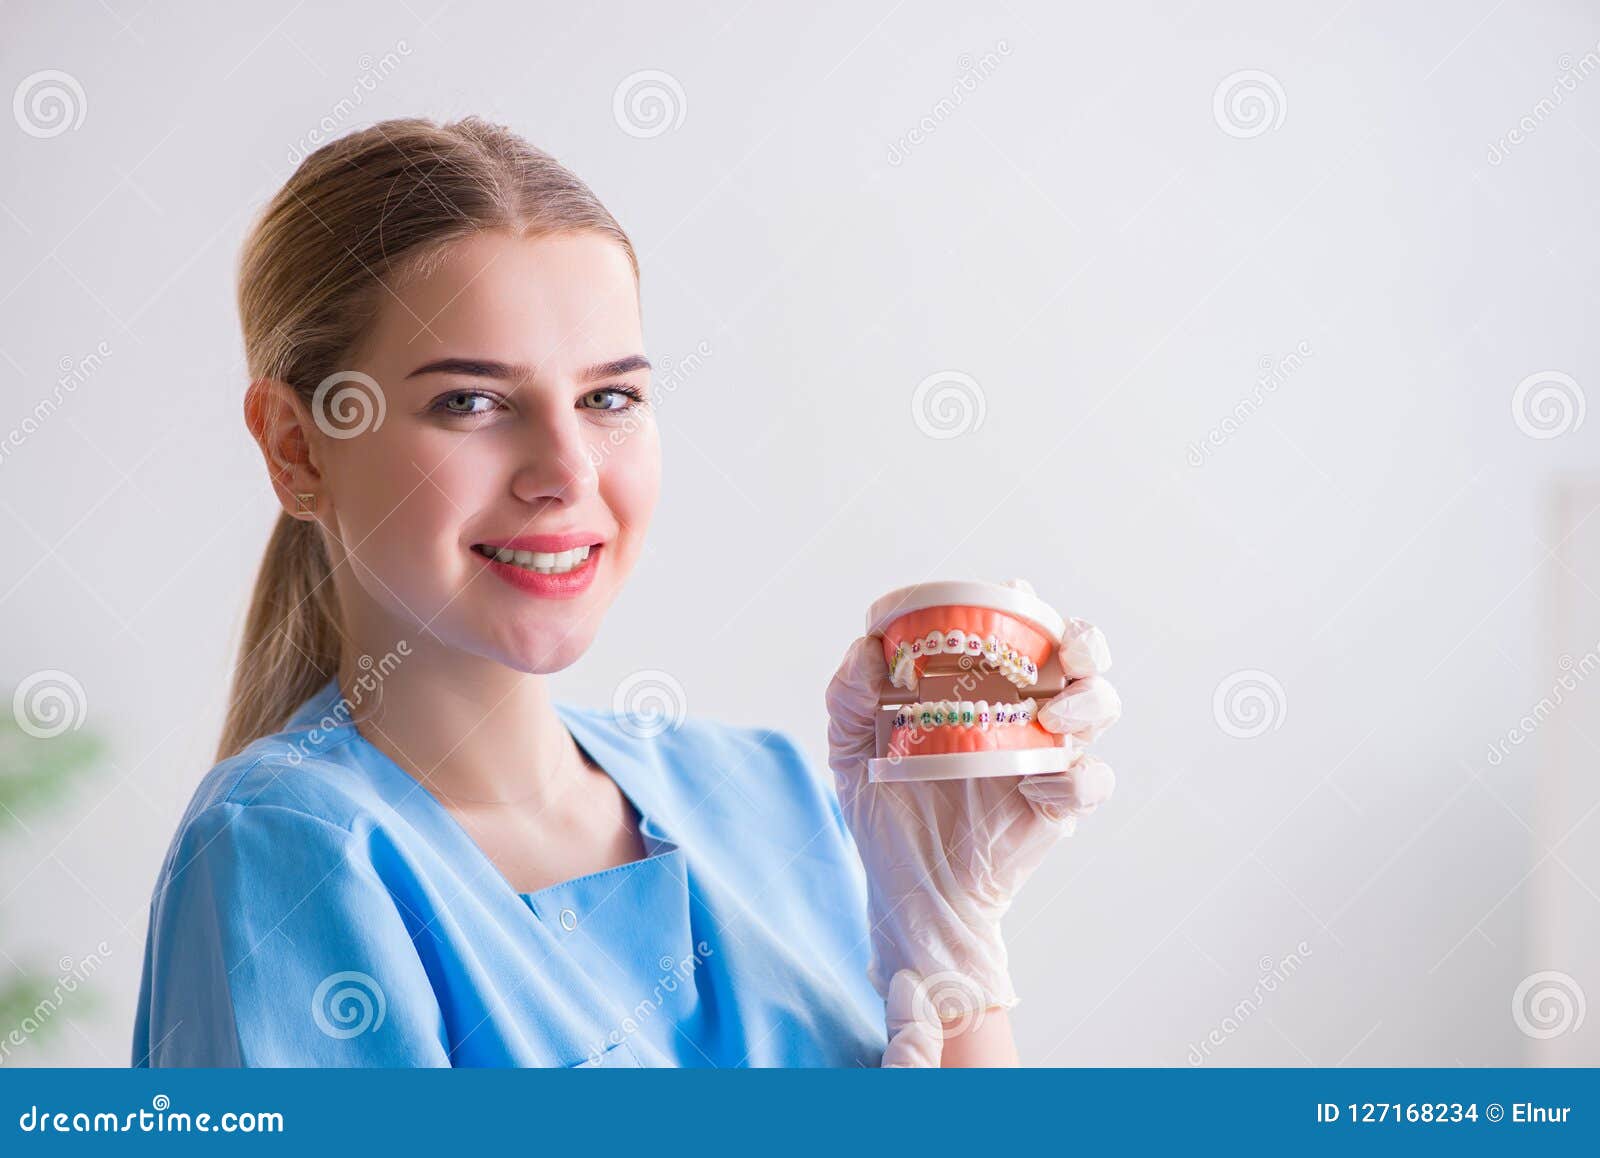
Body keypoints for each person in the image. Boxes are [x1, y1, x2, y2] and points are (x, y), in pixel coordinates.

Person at [130, 115, 1120, 1068]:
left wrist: (953, 943)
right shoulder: (292, 849)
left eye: (608, 398)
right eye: (468, 402)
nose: (566, 471)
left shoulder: (771, 798)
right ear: (298, 450)